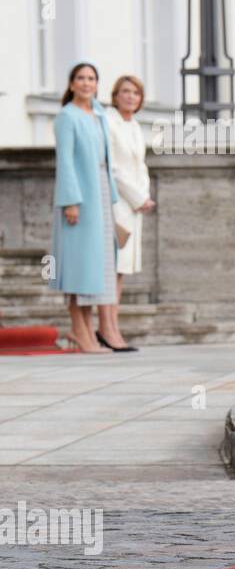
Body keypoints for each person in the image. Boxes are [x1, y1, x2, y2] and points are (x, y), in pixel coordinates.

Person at [49, 62, 120, 354]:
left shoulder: (100, 115)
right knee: (78, 266)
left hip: (100, 191)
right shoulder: (67, 117)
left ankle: (88, 332)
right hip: (78, 198)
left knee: (96, 268)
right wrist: (70, 201)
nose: (86, 83)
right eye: (81, 78)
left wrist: (111, 195)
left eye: (91, 78)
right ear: (71, 83)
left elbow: (107, 157)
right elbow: (65, 160)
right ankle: (79, 330)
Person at [102, 75, 156, 352]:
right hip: (118, 202)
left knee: (121, 271)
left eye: (135, 92)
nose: (130, 97)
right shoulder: (108, 123)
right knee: (113, 267)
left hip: (135, 204)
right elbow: (114, 167)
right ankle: (107, 328)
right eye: (125, 92)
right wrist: (137, 197)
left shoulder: (134, 126)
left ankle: (113, 326)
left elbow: (141, 166)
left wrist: (144, 197)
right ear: (115, 96)